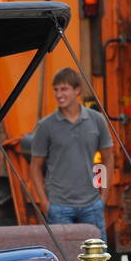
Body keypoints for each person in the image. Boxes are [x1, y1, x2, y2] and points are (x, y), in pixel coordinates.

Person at [29, 68, 114, 239]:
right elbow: (35, 167)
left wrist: (102, 196)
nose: (59, 94)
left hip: (92, 205)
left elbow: (108, 159)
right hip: (59, 207)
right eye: (56, 90)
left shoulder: (97, 120)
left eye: (64, 89)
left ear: (77, 90)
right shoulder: (45, 126)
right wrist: (45, 203)